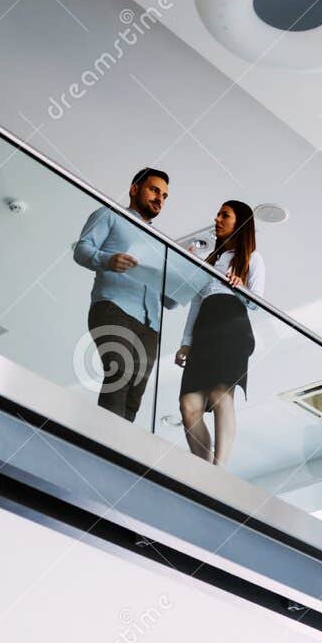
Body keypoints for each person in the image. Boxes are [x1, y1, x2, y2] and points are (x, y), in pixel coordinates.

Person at [72, 167, 172, 421]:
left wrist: (186, 275)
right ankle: (103, 446)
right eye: (154, 190)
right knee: (119, 373)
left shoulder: (163, 243)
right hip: (114, 308)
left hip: (151, 325)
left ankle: (118, 451)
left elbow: (169, 298)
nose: (160, 198)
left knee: (134, 397)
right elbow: (81, 249)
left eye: (164, 195)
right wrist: (107, 260)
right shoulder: (110, 215)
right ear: (134, 189)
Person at [175, 200, 264, 466]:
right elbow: (195, 302)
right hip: (205, 328)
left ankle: (219, 469)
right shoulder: (210, 259)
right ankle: (205, 469)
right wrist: (186, 342)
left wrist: (240, 287)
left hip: (232, 327)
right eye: (217, 214)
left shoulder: (252, 258)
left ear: (240, 223)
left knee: (220, 395)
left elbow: (257, 302)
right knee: (189, 405)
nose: (217, 219)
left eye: (224, 215)